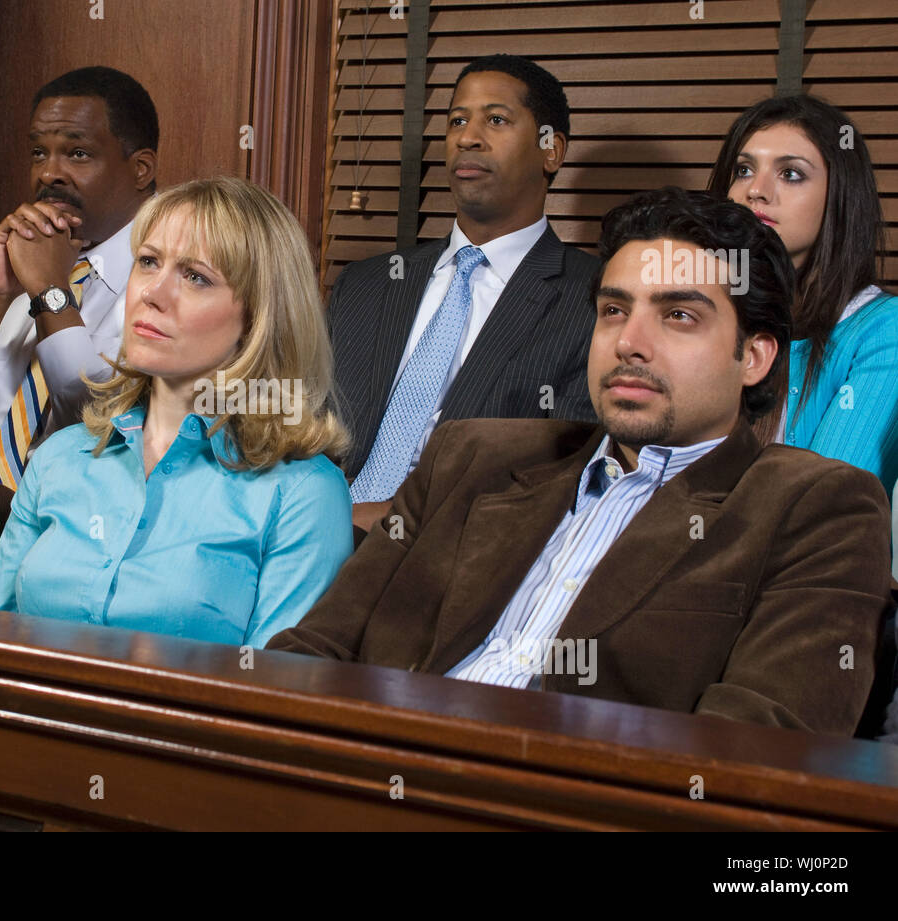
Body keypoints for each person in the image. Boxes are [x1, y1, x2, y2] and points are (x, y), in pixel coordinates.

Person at [269, 187, 893, 737]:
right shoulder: (472, 456)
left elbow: (759, 755)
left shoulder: (817, 510)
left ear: (753, 357)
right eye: (614, 310)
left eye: (678, 316)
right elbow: (315, 650)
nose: (629, 342)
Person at [0, 177, 352, 647]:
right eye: (149, 262)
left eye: (196, 276)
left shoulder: (303, 494)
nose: (152, 293)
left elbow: (275, 700)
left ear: (258, 317)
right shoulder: (59, 457)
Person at [331, 54, 600, 533]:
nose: (467, 137)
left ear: (550, 150)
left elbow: (554, 482)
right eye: (457, 120)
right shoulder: (365, 285)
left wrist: (374, 520)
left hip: (448, 563)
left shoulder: (592, 301)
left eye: (495, 120)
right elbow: (297, 430)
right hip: (302, 547)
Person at [0, 66, 159, 489]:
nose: (48, 174)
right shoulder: (18, 260)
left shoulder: (168, 279)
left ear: (140, 169)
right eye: (38, 153)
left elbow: (98, 423)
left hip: (76, 517)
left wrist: (51, 292)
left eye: (77, 154)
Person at [710, 94, 898, 494]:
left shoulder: (885, 329)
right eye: (743, 170)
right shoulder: (708, 315)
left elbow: (821, 504)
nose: (756, 191)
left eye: (790, 174)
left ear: (838, 197)